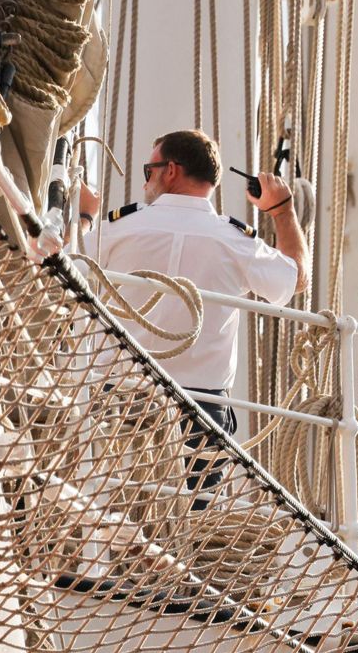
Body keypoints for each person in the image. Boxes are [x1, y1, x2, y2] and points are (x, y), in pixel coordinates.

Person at [78, 130, 310, 499]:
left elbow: (70, 263)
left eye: (148, 169)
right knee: (194, 529)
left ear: (170, 170)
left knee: (110, 510)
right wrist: (283, 211)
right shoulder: (235, 240)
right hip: (201, 410)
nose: (146, 180)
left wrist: (85, 217)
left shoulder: (121, 228)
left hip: (119, 397)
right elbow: (297, 278)